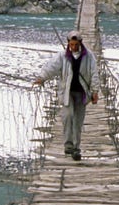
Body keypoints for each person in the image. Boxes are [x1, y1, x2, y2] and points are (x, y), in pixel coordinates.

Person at [34, 30, 99, 161]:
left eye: (76, 44)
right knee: (67, 116)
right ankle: (68, 145)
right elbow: (51, 67)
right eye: (71, 44)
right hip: (67, 92)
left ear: (80, 43)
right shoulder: (63, 56)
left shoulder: (89, 56)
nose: (73, 47)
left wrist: (95, 91)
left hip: (82, 93)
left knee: (78, 121)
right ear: (68, 43)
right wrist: (42, 78)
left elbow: (94, 73)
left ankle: (76, 148)